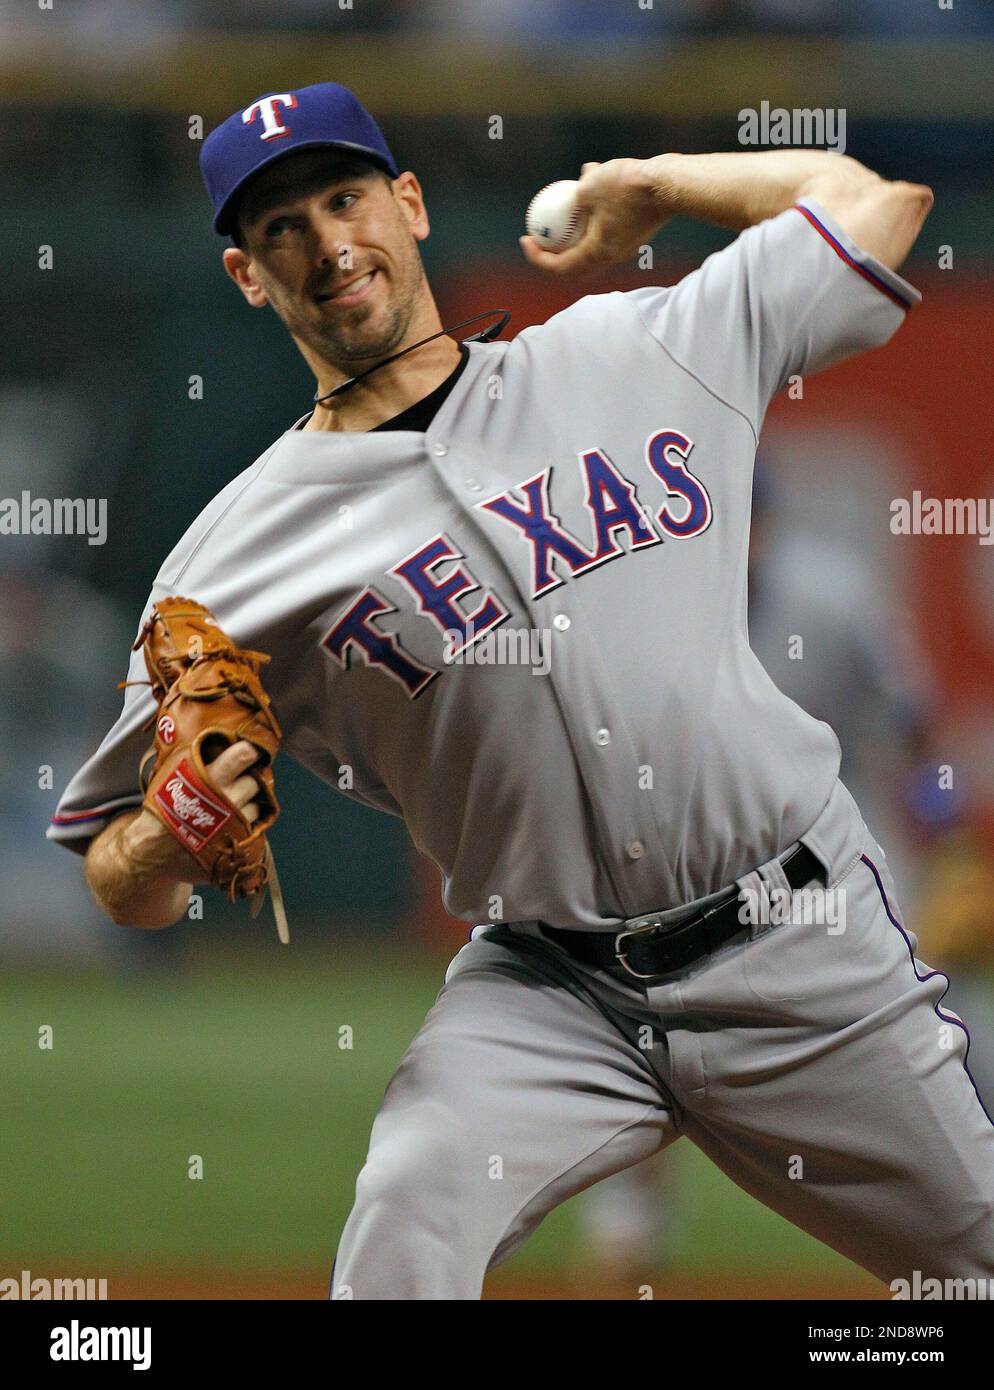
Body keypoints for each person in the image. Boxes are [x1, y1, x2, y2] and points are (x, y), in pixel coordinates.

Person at [51, 82, 994, 1300]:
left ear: (411, 203)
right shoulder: (228, 564)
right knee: (405, 1215)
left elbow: (876, 207)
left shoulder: (635, 349)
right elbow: (112, 874)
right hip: (552, 990)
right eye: (283, 227)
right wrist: (165, 837)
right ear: (246, 273)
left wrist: (656, 180)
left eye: (345, 198)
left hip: (800, 948)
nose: (330, 244)